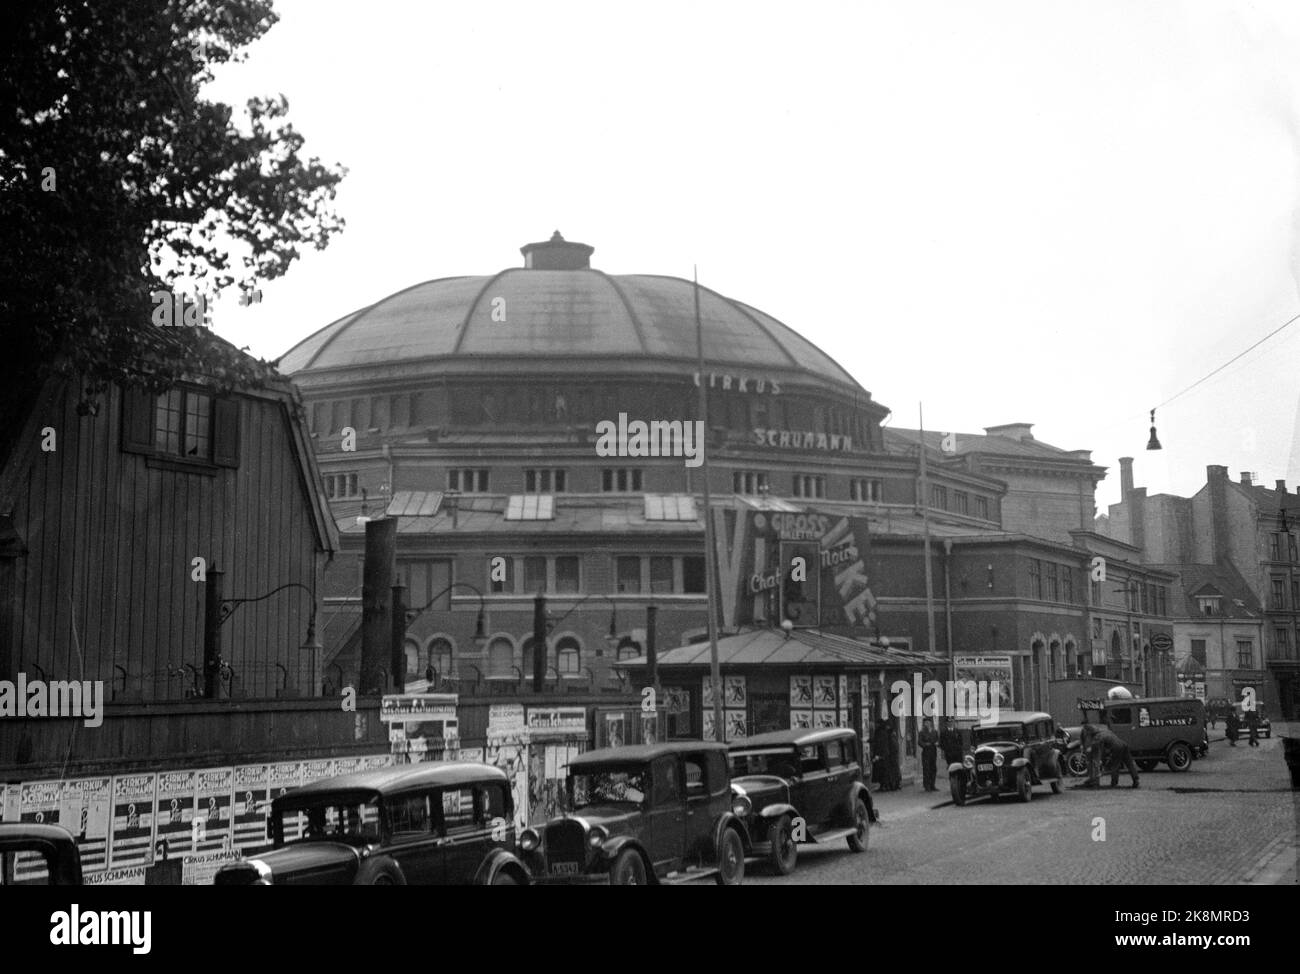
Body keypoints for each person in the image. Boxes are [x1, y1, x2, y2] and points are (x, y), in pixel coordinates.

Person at [1081, 722, 1140, 788]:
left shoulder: (1097, 737)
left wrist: (1090, 750)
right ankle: (1136, 779)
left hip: (1116, 748)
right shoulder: (1105, 731)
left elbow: (1096, 751)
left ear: (1090, 733)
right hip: (1124, 745)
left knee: (1115, 765)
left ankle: (1114, 783)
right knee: (1129, 763)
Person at [919, 718, 939, 791]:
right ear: (924, 724)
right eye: (926, 722)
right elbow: (919, 742)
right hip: (926, 752)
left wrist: (937, 743)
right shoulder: (922, 732)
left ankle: (932, 785)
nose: (927, 724)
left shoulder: (934, 731)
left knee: (933, 769)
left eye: (928, 722)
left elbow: (937, 740)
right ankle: (927, 786)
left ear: (931, 723)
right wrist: (925, 744)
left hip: (933, 752)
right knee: (926, 769)